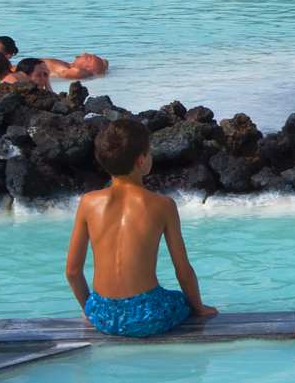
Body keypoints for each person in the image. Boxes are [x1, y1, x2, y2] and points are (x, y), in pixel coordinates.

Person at [65, 117, 216, 337]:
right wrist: (199, 308)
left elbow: (72, 271)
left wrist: (90, 310)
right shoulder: (163, 205)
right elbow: (182, 271)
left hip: (103, 315)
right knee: (180, 301)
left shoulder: (88, 203)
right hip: (146, 317)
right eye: (150, 151)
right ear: (141, 160)